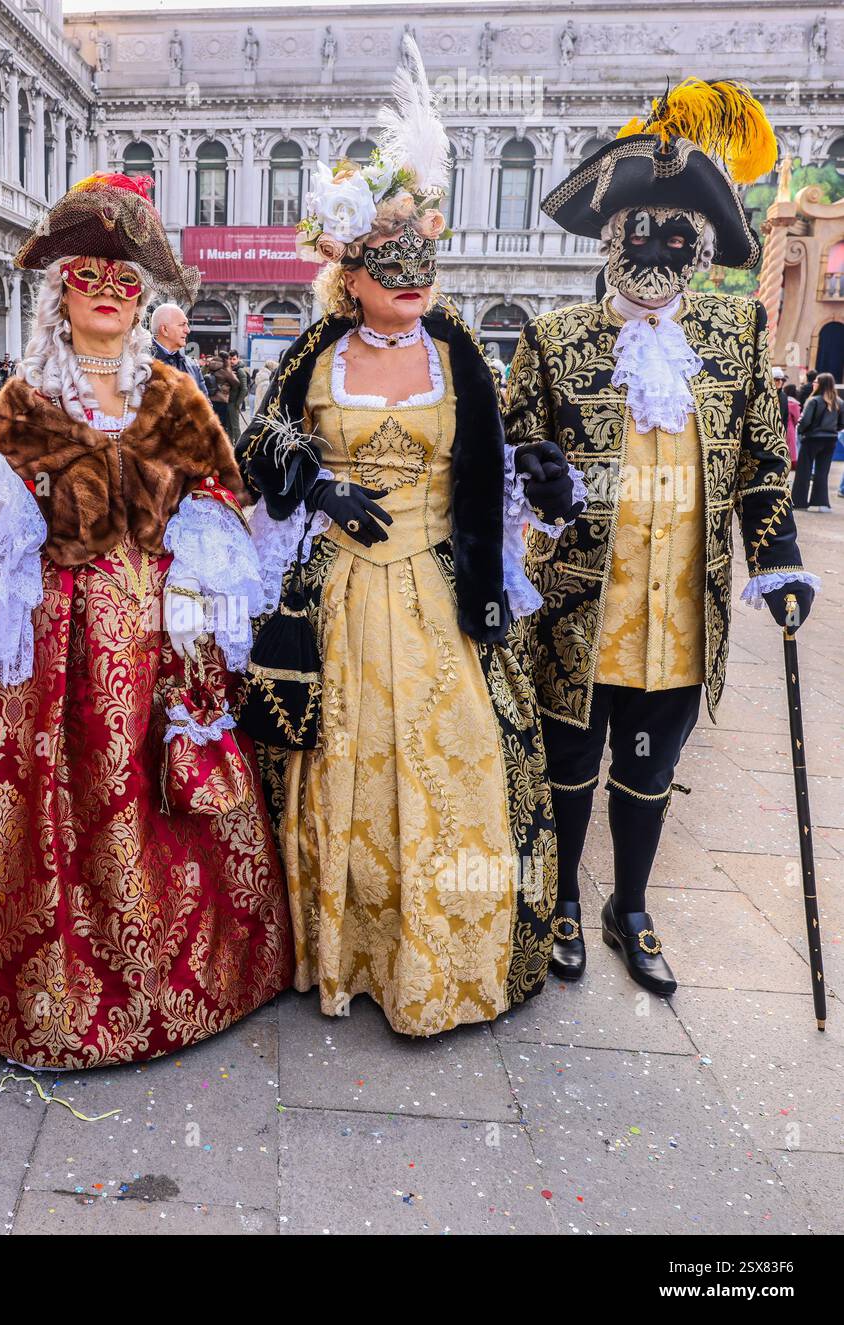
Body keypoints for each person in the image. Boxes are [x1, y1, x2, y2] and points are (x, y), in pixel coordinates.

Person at [237, 39, 576, 1038]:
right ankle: (339, 952)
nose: (414, 274)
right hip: (338, 590)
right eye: (392, 260)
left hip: (439, 581)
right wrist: (319, 483)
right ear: (352, 272)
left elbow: (498, 449)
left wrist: (542, 472)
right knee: (334, 758)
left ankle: (445, 957)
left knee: (459, 754)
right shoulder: (315, 350)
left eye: (425, 255)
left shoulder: (458, 346)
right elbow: (259, 436)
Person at [0, 173, 292, 1070]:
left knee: (164, 787)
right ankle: (40, 983)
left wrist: (201, 591)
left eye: (128, 285)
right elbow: (4, 534)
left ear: (146, 301)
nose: (112, 298)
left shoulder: (175, 397)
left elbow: (220, 497)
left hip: (159, 627)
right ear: (61, 293)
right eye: (92, 280)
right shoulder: (18, 401)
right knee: (35, 786)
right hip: (55, 633)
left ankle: (180, 976)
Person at [505, 78, 818, 995]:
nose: (656, 247)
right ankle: (563, 895)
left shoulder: (733, 335)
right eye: (638, 228)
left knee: (649, 768)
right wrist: (539, 484)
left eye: (678, 233)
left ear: (702, 248)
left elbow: (764, 462)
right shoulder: (554, 340)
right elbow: (513, 472)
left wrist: (781, 560)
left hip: (683, 604)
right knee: (569, 761)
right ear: (609, 237)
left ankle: (628, 905)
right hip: (577, 608)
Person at [793, 372, 840, 511]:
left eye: (816, 382)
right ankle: (820, 502)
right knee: (822, 471)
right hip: (830, 440)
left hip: (812, 439)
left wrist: (801, 431)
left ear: (821, 384)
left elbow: (805, 421)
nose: (813, 384)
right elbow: (841, 423)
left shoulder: (813, 400)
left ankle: (799, 501)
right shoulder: (839, 403)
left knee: (804, 471)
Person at [150, 302, 209, 397]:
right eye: (182, 324)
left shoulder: (192, 365)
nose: (187, 330)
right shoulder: (142, 363)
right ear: (164, 330)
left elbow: (205, 405)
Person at [208, 352, 237, 433]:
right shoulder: (224, 368)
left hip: (210, 398)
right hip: (222, 400)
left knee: (212, 422)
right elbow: (236, 383)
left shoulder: (211, 365)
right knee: (221, 425)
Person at [226, 349, 250, 442]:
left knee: (235, 427)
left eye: (234, 359)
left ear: (238, 359)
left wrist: (238, 403)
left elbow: (244, 389)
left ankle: (238, 446)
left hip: (233, 403)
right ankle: (230, 445)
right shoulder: (229, 369)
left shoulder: (240, 371)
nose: (232, 361)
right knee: (229, 426)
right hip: (228, 402)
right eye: (230, 359)